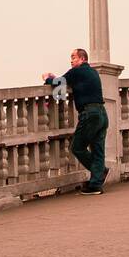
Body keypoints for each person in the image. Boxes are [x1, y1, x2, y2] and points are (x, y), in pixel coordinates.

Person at [42, 47, 109, 194]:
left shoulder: (77, 71)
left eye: (74, 57)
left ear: (82, 59)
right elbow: (65, 80)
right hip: (102, 114)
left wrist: (47, 77)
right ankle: (95, 184)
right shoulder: (92, 72)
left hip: (89, 114)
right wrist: (57, 78)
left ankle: (99, 173)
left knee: (77, 147)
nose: (71, 60)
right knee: (98, 150)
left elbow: (59, 82)